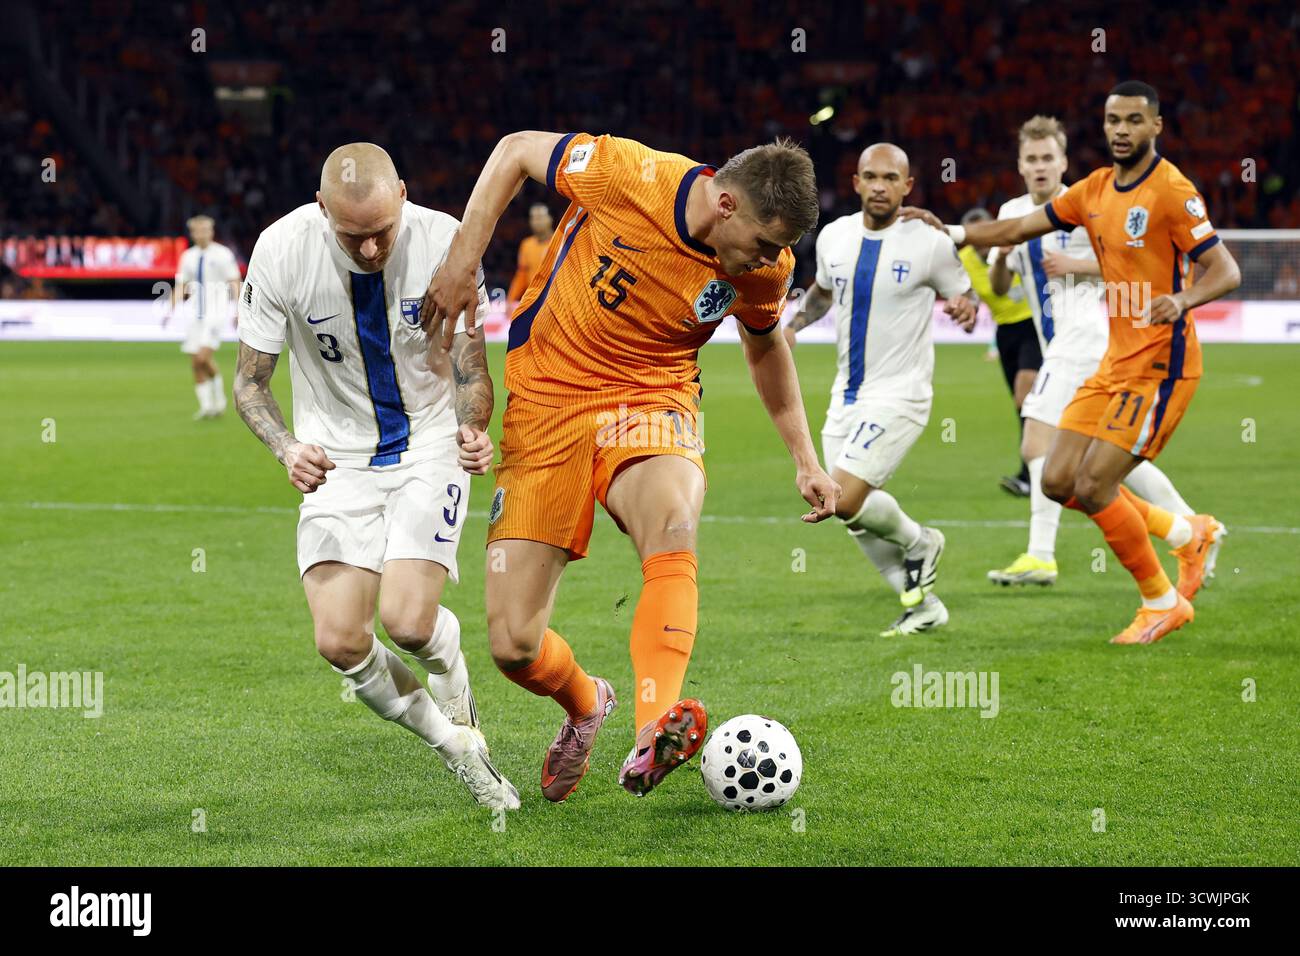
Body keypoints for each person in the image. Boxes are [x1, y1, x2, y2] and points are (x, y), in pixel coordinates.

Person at [421, 131, 839, 801]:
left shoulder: (766, 266)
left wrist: (805, 457)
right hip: (548, 397)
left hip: (653, 394)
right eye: (764, 243)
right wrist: (463, 262)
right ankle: (587, 703)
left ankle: (655, 730)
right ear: (726, 203)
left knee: (672, 524)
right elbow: (514, 151)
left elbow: (765, 347)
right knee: (512, 644)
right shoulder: (627, 173)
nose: (772, 260)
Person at [233, 143, 519, 809]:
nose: (369, 250)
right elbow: (249, 383)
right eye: (352, 235)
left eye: (381, 232)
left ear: (404, 196)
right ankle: (457, 747)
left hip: (427, 443)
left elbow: (472, 372)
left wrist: (473, 429)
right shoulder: (280, 251)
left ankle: (452, 678)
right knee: (338, 639)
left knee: (409, 622)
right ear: (321, 207)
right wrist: (285, 448)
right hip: (335, 458)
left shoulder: (445, 240)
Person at [904, 81, 1240, 644]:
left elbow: (1226, 269)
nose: (1122, 130)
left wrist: (1180, 300)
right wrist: (955, 229)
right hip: (1110, 359)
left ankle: (1160, 598)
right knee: (1061, 479)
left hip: (1158, 362)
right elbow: (1015, 229)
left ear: (1156, 126)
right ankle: (1187, 532)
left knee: (1096, 480)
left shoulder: (1173, 191)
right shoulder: (1094, 190)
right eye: (1114, 120)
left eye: (1134, 120)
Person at [985, 115, 1221, 587]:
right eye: (1031, 159)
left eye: (1048, 157)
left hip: (1086, 338)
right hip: (1060, 343)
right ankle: (1190, 528)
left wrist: (1074, 264)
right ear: (1019, 165)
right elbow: (1001, 289)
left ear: (1063, 161)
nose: (1039, 167)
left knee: (1037, 442)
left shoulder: (1084, 207)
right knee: (1109, 458)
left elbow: (1127, 261)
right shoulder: (1014, 214)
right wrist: (1005, 258)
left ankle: (1040, 555)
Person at [784, 143, 977, 636]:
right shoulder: (834, 236)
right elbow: (824, 291)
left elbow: (965, 294)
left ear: (908, 186)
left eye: (890, 178)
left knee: (844, 497)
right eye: (870, 176)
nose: (879, 186)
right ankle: (923, 606)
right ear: (855, 183)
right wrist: (795, 324)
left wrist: (967, 307)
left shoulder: (929, 241)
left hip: (902, 394)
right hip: (845, 394)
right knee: (838, 508)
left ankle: (920, 542)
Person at [956, 208, 1038, 496]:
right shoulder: (963, 261)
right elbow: (968, 295)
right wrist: (969, 313)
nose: (982, 240)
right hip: (1005, 333)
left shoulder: (1012, 249)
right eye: (975, 235)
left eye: (985, 232)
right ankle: (1037, 467)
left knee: (1024, 397)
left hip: (1033, 326)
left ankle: (1032, 473)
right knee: (1023, 406)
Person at [170, 215, 241, 419]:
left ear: (211, 231)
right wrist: (170, 307)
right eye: (198, 231)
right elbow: (182, 283)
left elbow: (234, 281)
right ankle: (208, 406)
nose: (202, 234)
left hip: (216, 312)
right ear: (192, 233)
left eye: (205, 230)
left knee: (203, 357)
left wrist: (238, 309)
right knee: (195, 362)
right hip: (195, 313)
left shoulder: (222, 254)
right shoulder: (188, 256)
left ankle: (219, 400)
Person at [505, 202, 553, 305]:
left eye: (540, 217)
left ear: (550, 219)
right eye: (533, 218)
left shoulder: (561, 242)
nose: (536, 221)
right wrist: (511, 299)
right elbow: (522, 274)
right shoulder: (526, 245)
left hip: (555, 300)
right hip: (533, 300)